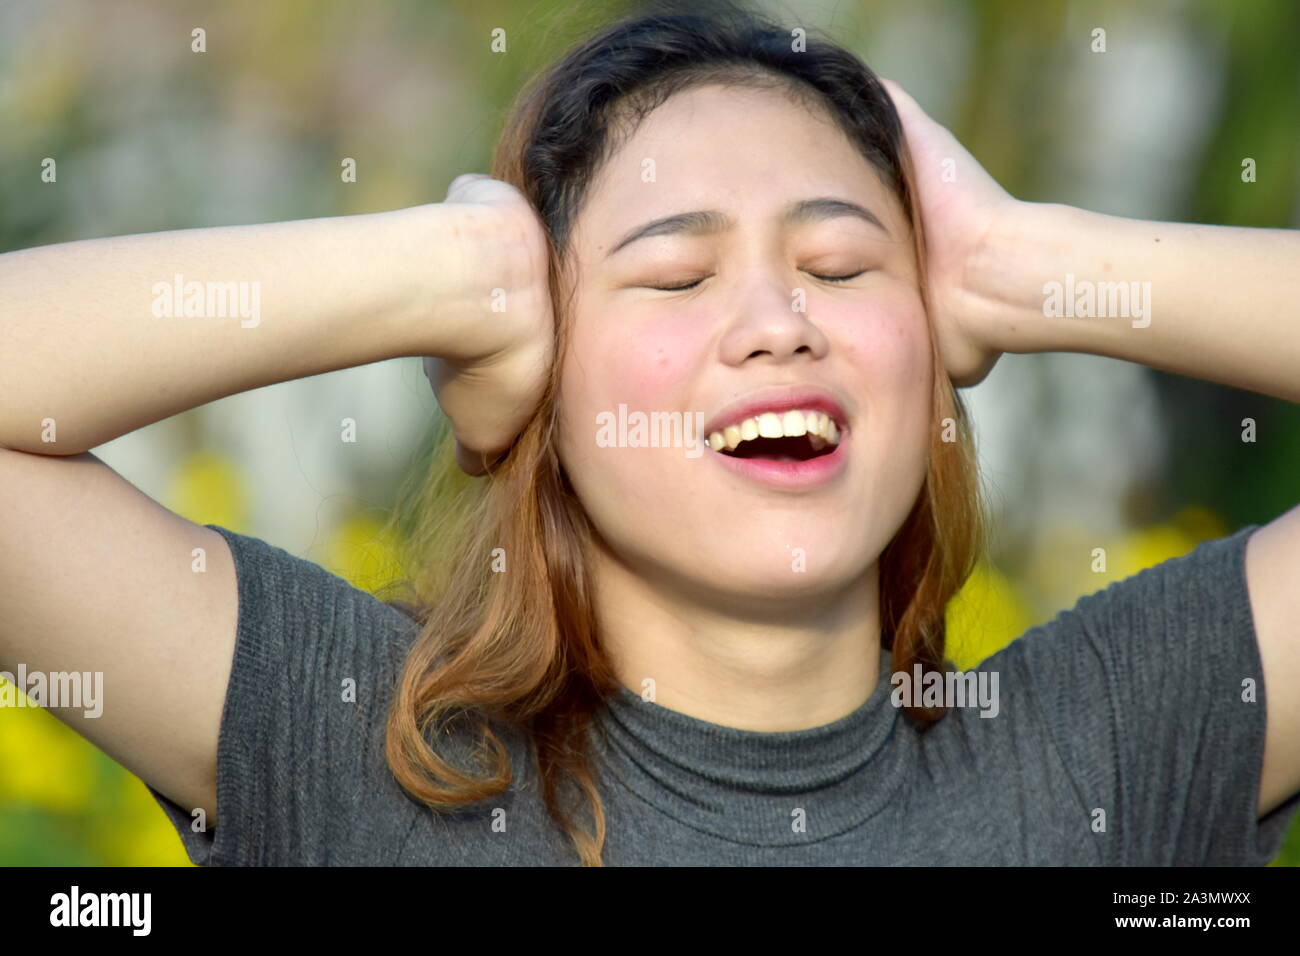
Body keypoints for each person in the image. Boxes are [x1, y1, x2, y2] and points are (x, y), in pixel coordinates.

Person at [2, 2, 1298, 867]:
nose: (778, 323)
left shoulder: (1113, 749)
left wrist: (1032, 262)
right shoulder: (366, 761)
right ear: (548, 392)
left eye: (844, 265)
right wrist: (455, 270)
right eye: (677, 280)